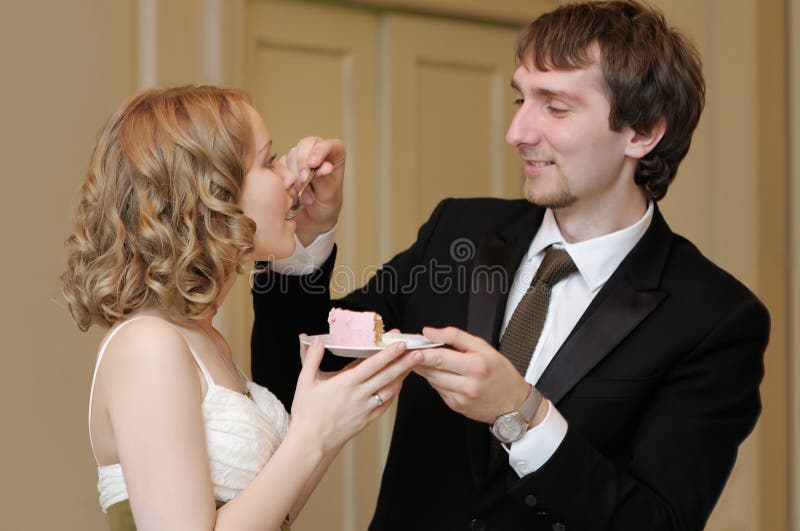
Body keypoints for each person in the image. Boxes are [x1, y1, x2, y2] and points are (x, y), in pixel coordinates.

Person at [251, 1, 770, 530]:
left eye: (556, 107)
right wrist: (306, 241)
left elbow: (658, 523)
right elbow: (292, 381)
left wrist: (523, 415)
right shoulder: (458, 232)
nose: (517, 132)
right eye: (522, 99)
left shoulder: (715, 318)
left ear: (642, 132)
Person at [61, 86, 419, 531]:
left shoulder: (203, 337)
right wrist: (311, 435)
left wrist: (335, 423)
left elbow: (272, 517)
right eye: (268, 161)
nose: (290, 177)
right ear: (211, 197)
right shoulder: (147, 344)